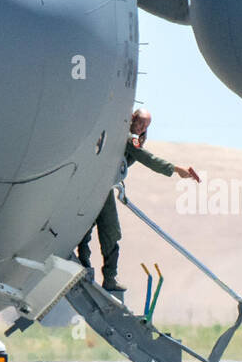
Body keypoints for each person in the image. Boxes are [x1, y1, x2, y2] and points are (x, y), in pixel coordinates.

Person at [78, 109, 199, 293]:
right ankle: (87, 267)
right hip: (95, 186)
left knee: (110, 232)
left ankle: (107, 277)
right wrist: (175, 169)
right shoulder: (127, 138)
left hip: (103, 188)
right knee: (89, 229)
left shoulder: (127, 137)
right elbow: (148, 158)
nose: (142, 127)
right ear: (132, 118)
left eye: (145, 126)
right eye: (140, 122)